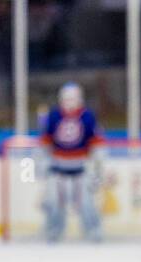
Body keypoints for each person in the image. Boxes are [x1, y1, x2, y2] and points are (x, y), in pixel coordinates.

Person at [38, 82, 103, 242]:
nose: (70, 103)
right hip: (57, 169)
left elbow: (96, 144)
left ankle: (93, 231)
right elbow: (45, 142)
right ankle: (53, 232)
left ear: (80, 99)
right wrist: (41, 164)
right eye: (66, 99)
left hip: (81, 169)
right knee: (54, 203)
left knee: (87, 205)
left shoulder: (88, 116)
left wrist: (97, 167)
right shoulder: (54, 115)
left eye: (73, 99)